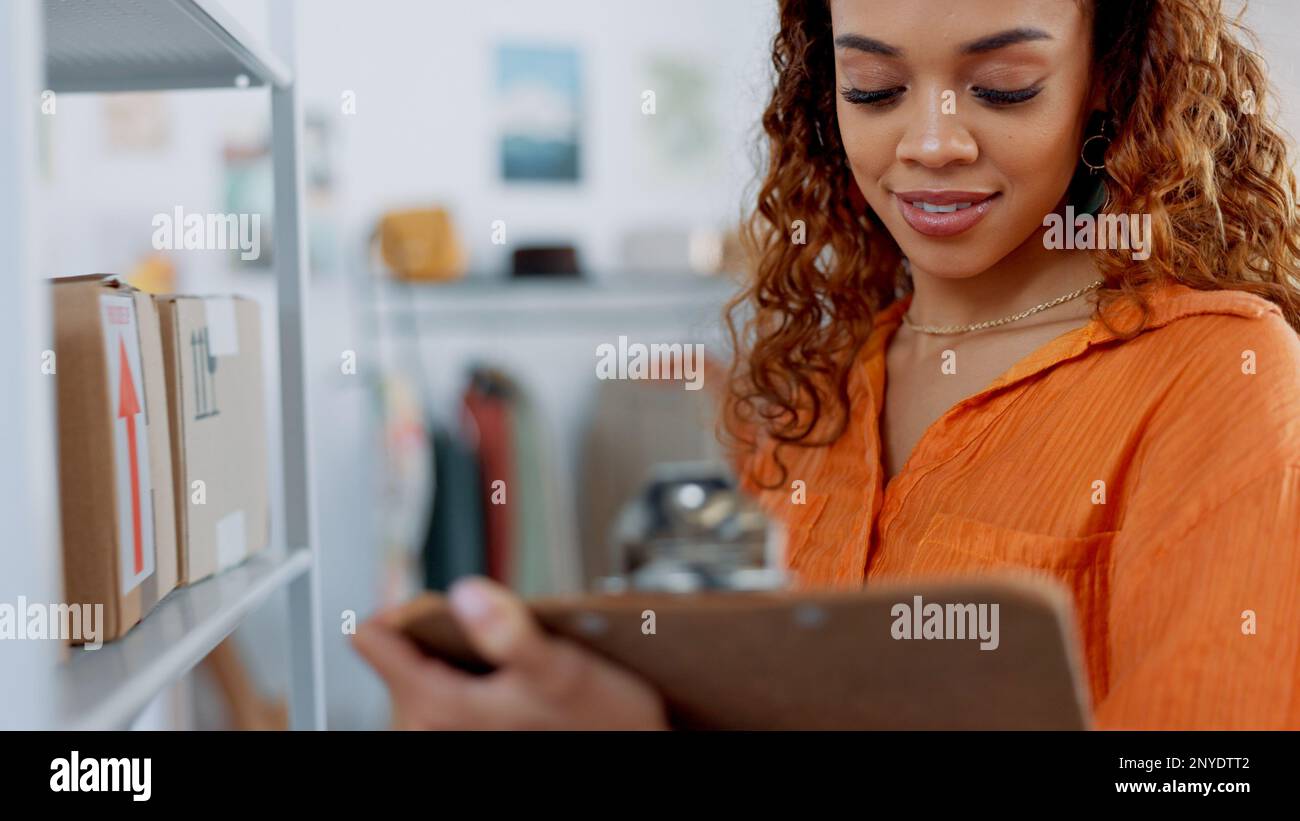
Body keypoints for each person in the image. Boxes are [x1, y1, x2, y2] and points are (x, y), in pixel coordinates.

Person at [354, 0, 1300, 730]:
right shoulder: (811, 389)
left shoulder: (1222, 374)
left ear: (1108, 69)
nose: (930, 143)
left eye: (1005, 85)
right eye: (874, 89)